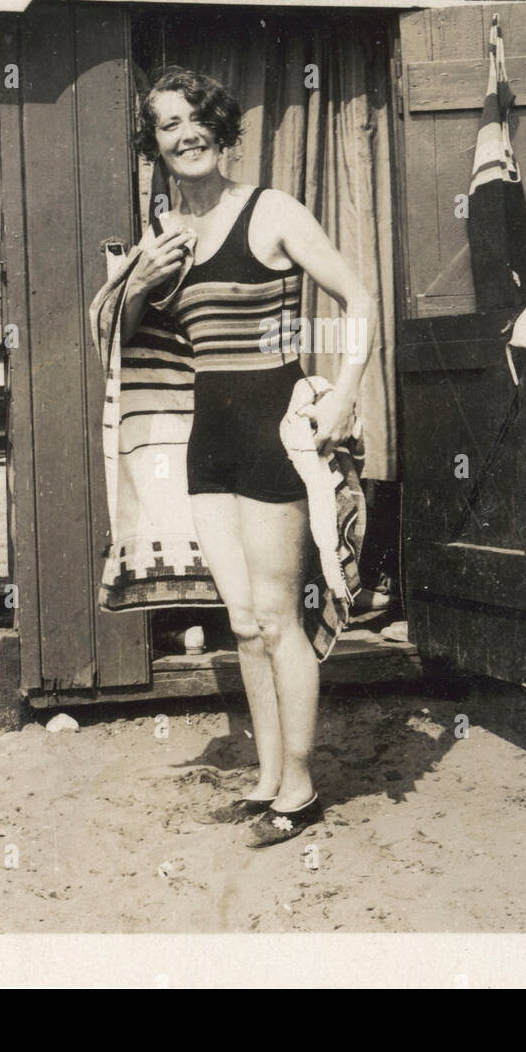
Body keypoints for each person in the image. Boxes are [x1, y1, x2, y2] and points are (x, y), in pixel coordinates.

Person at [121, 67, 376, 846]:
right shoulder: (163, 235)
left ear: (221, 128)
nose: (185, 132)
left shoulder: (271, 211)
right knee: (241, 619)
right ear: (155, 144)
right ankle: (266, 777)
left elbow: (358, 300)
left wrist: (342, 393)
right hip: (208, 440)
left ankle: (298, 791)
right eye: (167, 124)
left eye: (196, 117)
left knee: (276, 615)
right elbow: (130, 333)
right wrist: (142, 282)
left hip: (269, 428)